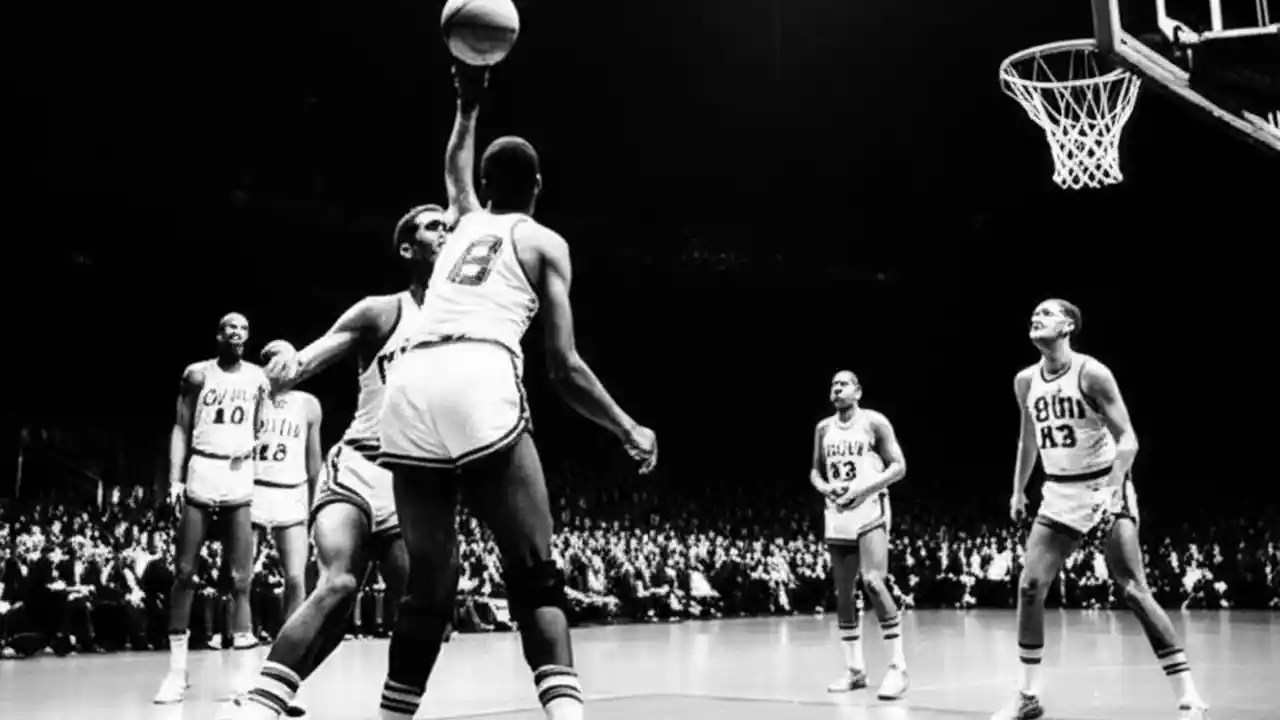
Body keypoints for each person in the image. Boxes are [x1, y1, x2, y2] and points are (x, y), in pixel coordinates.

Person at [376, 64, 657, 720]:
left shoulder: (461, 221)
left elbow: (454, 164)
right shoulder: (543, 242)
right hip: (479, 374)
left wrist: (467, 99)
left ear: (481, 187)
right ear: (537, 185)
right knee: (534, 572)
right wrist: (627, 427)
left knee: (427, 589)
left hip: (410, 380)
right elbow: (561, 367)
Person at [226, 203, 450, 720]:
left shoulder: (466, 327)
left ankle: (385, 710)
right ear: (407, 248)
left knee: (427, 610)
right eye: (434, 225)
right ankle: (257, 704)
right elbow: (309, 359)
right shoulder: (381, 312)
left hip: (413, 485)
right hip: (357, 468)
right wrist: (287, 363)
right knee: (340, 582)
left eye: (450, 226)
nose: (446, 231)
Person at [992, 299, 1210, 720]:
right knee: (1029, 587)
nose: (1035, 318)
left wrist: (1112, 489)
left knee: (1132, 589)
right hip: (1058, 492)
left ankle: (1189, 694)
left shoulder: (1092, 373)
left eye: (1047, 314)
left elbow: (1128, 440)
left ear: (1069, 325)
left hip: (1102, 484)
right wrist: (1018, 491)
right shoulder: (1024, 381)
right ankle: (1028, 696)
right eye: (1033, 314)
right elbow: (1028, 441)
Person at [155, 312, 270, 704]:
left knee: (241, 579)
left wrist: (255, 454)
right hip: (202, 468)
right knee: (184, 571)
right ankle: (176, 671)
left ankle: (241, 678)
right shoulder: (197, 374)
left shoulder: (258, 378)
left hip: (238, 473)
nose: (237, 332)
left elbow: (260, 426)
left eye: (244, 328)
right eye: (230, 327)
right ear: (218, 335)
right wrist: (175, 479)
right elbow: (181, 427)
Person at [809, 370, 909, 700]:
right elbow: (814, 471)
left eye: (843, 384)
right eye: (833, 384)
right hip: (837, 514)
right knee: (843, 593)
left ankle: (898, 668)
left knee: (873, 581)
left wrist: (865, 490)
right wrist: (825, 487)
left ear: (858, 391)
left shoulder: (874, 422)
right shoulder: (823, 428)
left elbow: (898, 466)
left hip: (870, 510)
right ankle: (855, 671)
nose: (836, 388)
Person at [251, 388, 323, 624]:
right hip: (254, 489)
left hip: (291, 493)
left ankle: (289, 638)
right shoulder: (251, 394)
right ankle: (239, 633)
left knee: (295, 577)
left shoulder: (308, 403)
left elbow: (314, 467)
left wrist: (317, 509)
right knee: (240, 577)